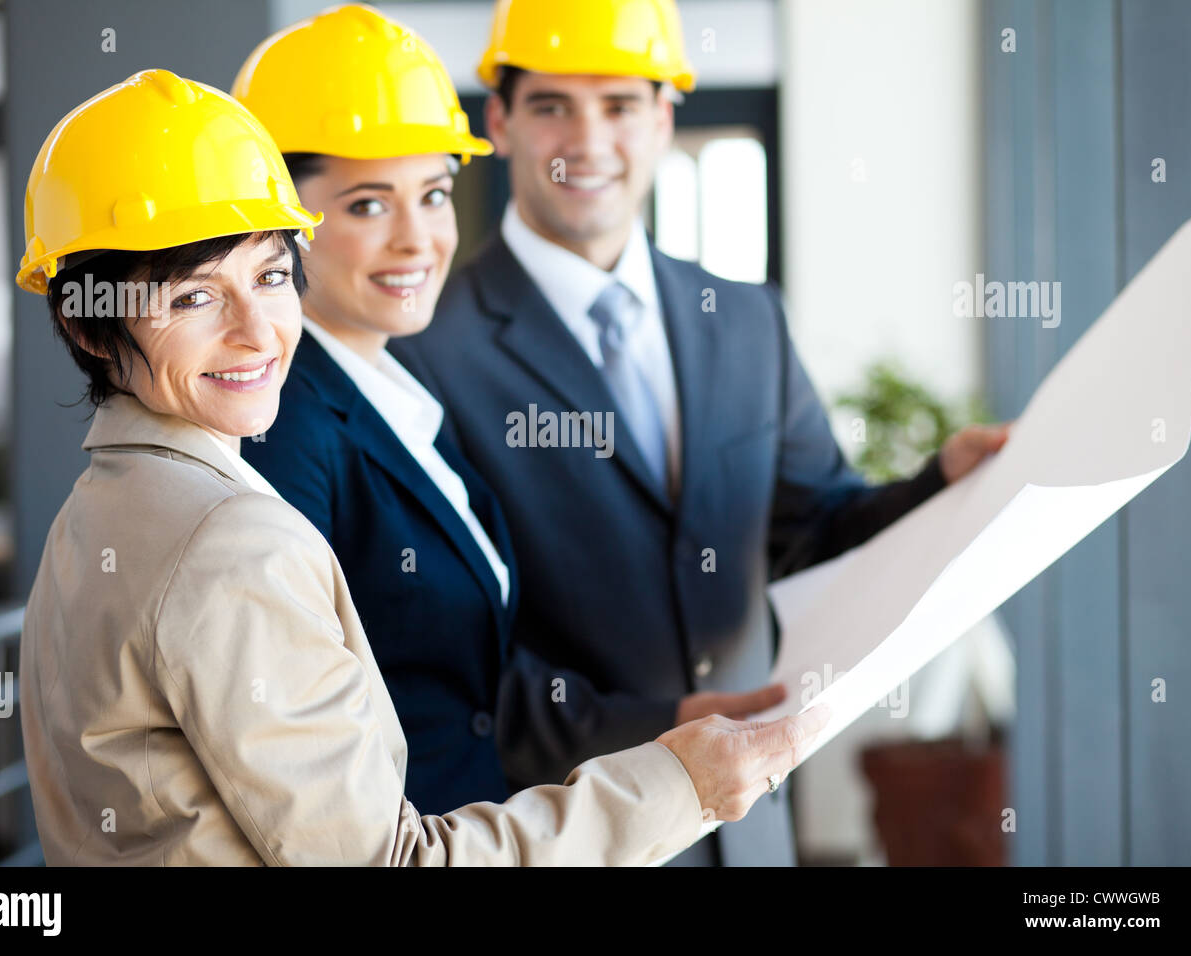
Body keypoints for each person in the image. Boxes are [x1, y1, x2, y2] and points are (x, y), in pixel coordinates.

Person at [14, 68, 830, 866]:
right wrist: (679, 787)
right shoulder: (233, 538)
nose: (258, 332)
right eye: (193, 296)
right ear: (87, 325)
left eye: (269, 276)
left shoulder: (92, 519)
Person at [390, 0, 1011, 866]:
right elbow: (442, 662)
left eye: (619, 105)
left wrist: (939, 485)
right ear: (498, 122)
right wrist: (658, 734)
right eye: (551, 105)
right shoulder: (425, 352)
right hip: (570, 828)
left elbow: (815, 530)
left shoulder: (745, 319)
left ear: (663, 117)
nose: (588, 139)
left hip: (750, 826)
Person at [233, 3, 789, 819]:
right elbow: (287, 740)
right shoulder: (283, 430)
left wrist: (663, 723)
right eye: (366, 205)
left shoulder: (400, 403)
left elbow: (474, 684)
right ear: (281, 223)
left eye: (432, 195)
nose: (418, 240)